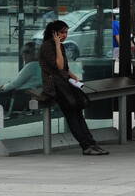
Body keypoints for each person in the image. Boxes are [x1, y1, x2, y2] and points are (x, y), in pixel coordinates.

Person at [39, 20, 108, 155]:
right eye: (62, 32)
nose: (65, 35)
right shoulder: (47, 46)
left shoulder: (61, 47)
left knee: (78, 114)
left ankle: (92, 143)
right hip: (55, 87)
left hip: (65, 83)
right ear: (54, 33)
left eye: (66, 32)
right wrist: (58, 45)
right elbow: (58, 66)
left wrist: (73, 76)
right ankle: (86, 146)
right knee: (72, 116)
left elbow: (64, 67)